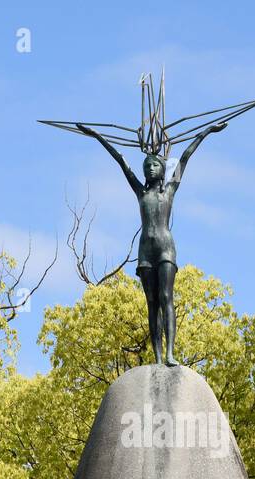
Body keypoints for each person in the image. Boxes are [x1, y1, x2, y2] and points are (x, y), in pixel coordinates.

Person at [75, 121, 227, 367]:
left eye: (155, 164)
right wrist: (97, 136)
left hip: (165, 248)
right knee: (152, 302)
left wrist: (206, 132)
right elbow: (121, 161)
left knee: (166, 296)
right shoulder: (140, 192)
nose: (150, 169)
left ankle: (169, 354)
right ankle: (157, 357)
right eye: (147, 166)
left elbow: (185, 159)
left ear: (162, 168)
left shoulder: (169, 190)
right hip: (145, 251)